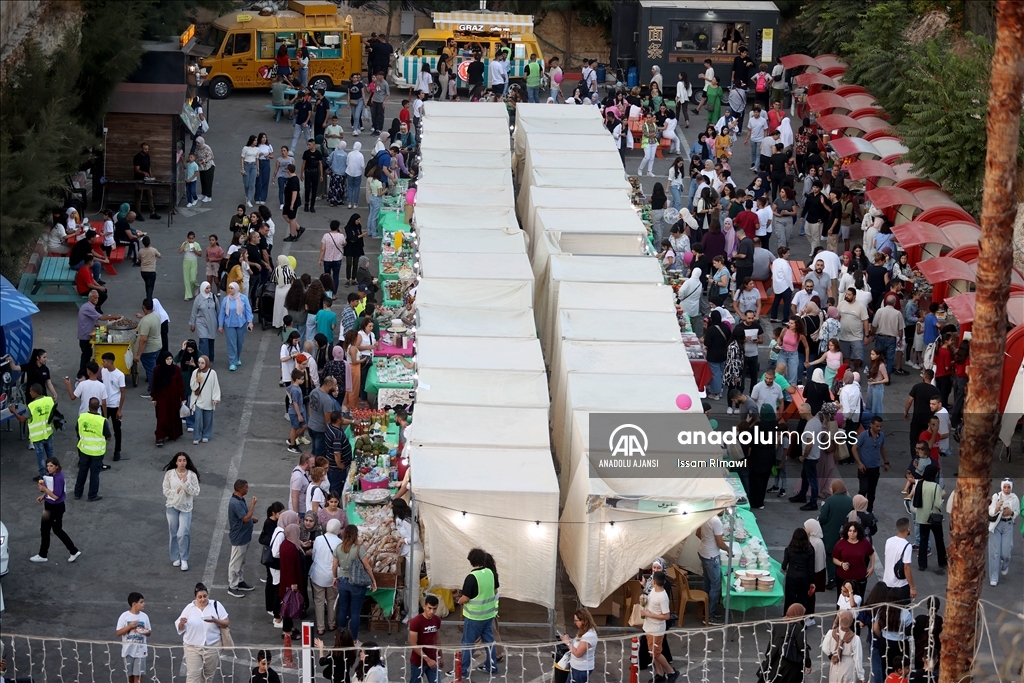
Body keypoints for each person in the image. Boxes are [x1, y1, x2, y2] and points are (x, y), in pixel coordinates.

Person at [456, 548, 500, 678]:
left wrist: (459, 601)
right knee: (489, 643)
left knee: (467, 644)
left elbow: (466, 598)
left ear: (470, 561)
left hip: (474, 617)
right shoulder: (491, 573)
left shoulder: (471, 577)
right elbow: (495, 590)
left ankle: (462, 671)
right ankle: (492, 667)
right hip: (488, 616)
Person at [29, 457, 81, 563]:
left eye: (51, 466)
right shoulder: (53, 476)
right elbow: (51, 491)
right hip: (49, 506)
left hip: (55, 508)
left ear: (57, 466)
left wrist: (44, 490)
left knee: (53, 530)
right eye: (48, 466)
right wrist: (43, 496)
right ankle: (70, 551)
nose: (49, 468)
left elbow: (56, 496)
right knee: (48, 529)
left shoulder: (59, 478)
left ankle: (71, 551)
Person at [175, 583, 229, 683]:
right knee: (193, 677)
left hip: (212, 647)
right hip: (192, 647)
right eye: (200, 597)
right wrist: (181, 623)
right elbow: (180, 627)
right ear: (195, 597)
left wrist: (215, 621)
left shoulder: (216, 605)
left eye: (205, 596)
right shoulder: (189, 608)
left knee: (208, 677)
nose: (203, 599)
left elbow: (226, 622)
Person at [332, 523, 377, 639]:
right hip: (356, 583)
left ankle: (340, 638)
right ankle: (354, 639)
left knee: (343, 610)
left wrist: (335, 578)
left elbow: (334, 566)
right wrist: (373, 581)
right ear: (356, 535)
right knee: (355, 612)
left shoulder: (338, 548)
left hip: (342, 581)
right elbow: (367, 567)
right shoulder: (358, 549)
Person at [9, 383, 55, 481]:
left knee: (40, 457)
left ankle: (43, 475)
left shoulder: (32, 405)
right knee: (50, 454)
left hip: (38, 436)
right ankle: (53, 473)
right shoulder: (49, 400)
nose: (29, 393)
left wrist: (14, 412)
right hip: (48, 432)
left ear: (35, 392)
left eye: (30, 391)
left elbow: (22, 419)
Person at [163, 452, 201, 571]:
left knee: (183, 533)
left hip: (186, 508)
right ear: (176, 462)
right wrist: (177, 491)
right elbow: (165, 490)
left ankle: (184, 558)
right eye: (179, 460)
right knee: (173, 532)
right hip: (172, 506)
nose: (182, 463)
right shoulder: (169, 474)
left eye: (184, 460)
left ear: (187, 462)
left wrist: (186, 484)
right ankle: (176, 556)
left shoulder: (192, 475)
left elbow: (196, 492)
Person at [757, 604, 811, 683]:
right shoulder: (798, 628)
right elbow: (802, 648)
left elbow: (771, 644)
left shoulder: (778, 625)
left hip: (775, 663)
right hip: (790, 667)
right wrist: (808, 664)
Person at [73, 396, 109, 501]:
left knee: (82, 472)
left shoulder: (82, 417)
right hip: (97, 453)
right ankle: (92, 495)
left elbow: (77, 430)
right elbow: (108, 436)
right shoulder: (102, 421)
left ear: (88, 407)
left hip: (84, 450)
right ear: (99, 408)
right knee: (94, 474)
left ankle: (77, 494)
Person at [310, 518, 342, 635]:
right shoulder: (339, 542)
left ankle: (320, 627)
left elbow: (314, 555)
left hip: (318, 574)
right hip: (333, 575)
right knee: (332, 600)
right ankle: (332, 624)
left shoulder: (318, 539)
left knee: (319, 600)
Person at [227, 479, 259, 597]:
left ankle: (239, 581)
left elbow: (246, 517)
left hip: (244, 536)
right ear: (240, 489)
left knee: (241, 561)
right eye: (246, 487)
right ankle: (232, 586)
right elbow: (244, 518)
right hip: (239, 537)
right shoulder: (235, 503)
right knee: (235, 562)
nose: (247, 489)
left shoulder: (240, 499)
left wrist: (252, 519)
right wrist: (253, 505)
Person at [913, 465, 946, 572]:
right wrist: (942, 497)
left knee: (923, 540)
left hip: (922, 517)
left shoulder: (920, 484)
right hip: (934, 518)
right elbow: (938, 504)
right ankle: (942, 561)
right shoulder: (936, 487)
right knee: (939, 540)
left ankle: (922, 564)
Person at [852, 416, 889, 513]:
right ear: (871, 425)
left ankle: (869, 511)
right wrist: (859, 463)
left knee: (872, 493)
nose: (879, 429)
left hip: (875, 468)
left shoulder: (881, 435)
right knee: (863, 490)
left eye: (880, 426)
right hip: (864, 468)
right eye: (877, 426)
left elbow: (882, 448)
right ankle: (856, 510)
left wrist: (886, 462)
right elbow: (854, 448)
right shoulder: (863, 435)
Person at [988, 478, 1019, 586]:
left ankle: (1004, 565)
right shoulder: (996, 496)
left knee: (1006, 552)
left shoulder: (1014, 498)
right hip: (997, 525)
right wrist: (997, 509)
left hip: (1008, 525)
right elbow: (990, 511)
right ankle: (994, 577)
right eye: (1005, 487)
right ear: (1002, 487)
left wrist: (1011, 513)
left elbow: (1017, 511)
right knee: (994, 552)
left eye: (1008, 487)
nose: (1006, 489)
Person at [150, 350, 185, 447]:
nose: (169, 361)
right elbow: (154, 384)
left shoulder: (176, 369)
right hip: (162, 397)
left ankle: (171, 434)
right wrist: (154, 397)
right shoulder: (157, 369)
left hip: (174, 397)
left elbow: (180, 384)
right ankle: (160, 437)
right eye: (167, 359)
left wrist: (183, 397)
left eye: (170, 359)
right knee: (162, 417)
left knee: (173, 415)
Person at [790, 402, 821, 511]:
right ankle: (802, 495)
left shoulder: (809, 426)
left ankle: (813, 502)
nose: (799, 413)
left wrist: (804, 456)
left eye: (800, 411)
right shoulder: (816, 421)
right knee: (805, 476)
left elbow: (810, 443)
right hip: (815, 455)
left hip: (810, 457)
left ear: (804, 412)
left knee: (812, 480)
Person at [219, 282, 254, 372]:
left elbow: (248, 310)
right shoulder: (226, 300)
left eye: (232, 288)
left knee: (239, 342)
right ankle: (232, 362)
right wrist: (220, 325)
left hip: (241, 323)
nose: (230, 290)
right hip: (229, 324)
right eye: (229, 288)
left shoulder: (243, 298)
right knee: (231, 343)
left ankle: (236, 358)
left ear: (236, 289)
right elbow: (222, 313)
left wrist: (250, 321)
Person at [821, 611, 864, 683]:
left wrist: (831, 655)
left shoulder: (831, 633)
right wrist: (861, 676)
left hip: (835, 663)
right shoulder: (855, 638)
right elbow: (857, 658)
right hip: (848, 666)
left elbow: (824, 647)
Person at [408, 595, 443, 683]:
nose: (432, 611)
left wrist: (441, 656)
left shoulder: (437, 620)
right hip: (418, 662)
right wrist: (428, 659)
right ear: (424, 606)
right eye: (429, 608)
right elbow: (413, 644)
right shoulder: (416, 622)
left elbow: (437, 638)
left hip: (433, 659)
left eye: (434, 609)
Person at [782, 526, 816, 614]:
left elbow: (784, 565)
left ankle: (789, 616)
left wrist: (784, 569)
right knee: (803, 599)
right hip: (804, 578)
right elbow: (811, 568)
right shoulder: (810, 550)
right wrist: (812, 581)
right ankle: (801, 619)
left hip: (791, 577)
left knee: (790, 598)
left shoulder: (788, 550)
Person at [882, 518, 917, 602]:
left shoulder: (889, 541)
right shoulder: (907, 546)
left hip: (887, 582)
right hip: (901, 585)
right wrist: (912, 587)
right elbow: (906, 567)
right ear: (908, 528)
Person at [189, 283, 220, 363]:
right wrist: (192, 324)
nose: (208, 290)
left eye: (209, 288)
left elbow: (218, 310)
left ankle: (210, 358)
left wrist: (220, 324)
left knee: (210, 341)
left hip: (212, 322)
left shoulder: (213, 297)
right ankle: (203, 360)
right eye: (206, 288)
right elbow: (194, 312)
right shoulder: (198, 299)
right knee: (203, 341)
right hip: (201, 323)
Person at [803, 519, 827, 616]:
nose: (805, 529)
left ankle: (809, 615)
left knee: (809, 595)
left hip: (813, 572)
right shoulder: (818, 541)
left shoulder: (814, 543)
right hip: (818, 571)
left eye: (806, 527)